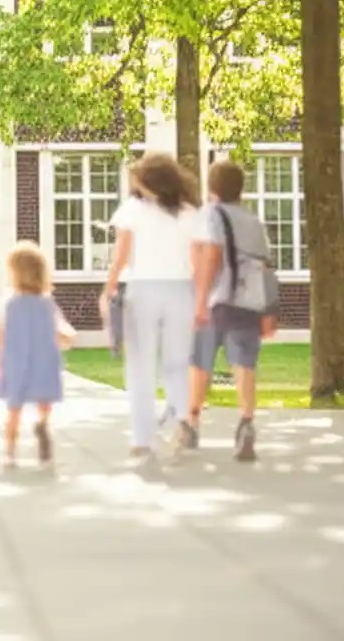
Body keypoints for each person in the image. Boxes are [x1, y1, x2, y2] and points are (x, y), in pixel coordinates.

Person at [100, 152, 200, 462]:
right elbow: (197, 257)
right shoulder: (189, 211)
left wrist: (109, 288)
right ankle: (182, 417)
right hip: (182, 289)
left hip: (143, 288)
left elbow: (121, 255)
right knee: (177, 362)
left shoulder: (133, 210)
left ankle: (143, 438)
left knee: (141, 366)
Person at [182, 160, 278, 461]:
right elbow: (266, 266)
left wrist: (199, 301)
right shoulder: (252, 220)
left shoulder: (211, 214)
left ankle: (191, 423)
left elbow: (211, 255)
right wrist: (269, 310)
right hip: (250, 302)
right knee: (244, 365)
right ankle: (246, 423)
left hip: (218, 300)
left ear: (212, 187)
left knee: (200, 363)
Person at [0, 240, 78, 470]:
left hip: (16, 364)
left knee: (14, 410)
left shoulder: (8, 304)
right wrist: (65, 339)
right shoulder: (46, 303)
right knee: (44, 403)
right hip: (44, 363)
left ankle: (9, 453)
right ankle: (42, 425)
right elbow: (61, 331)